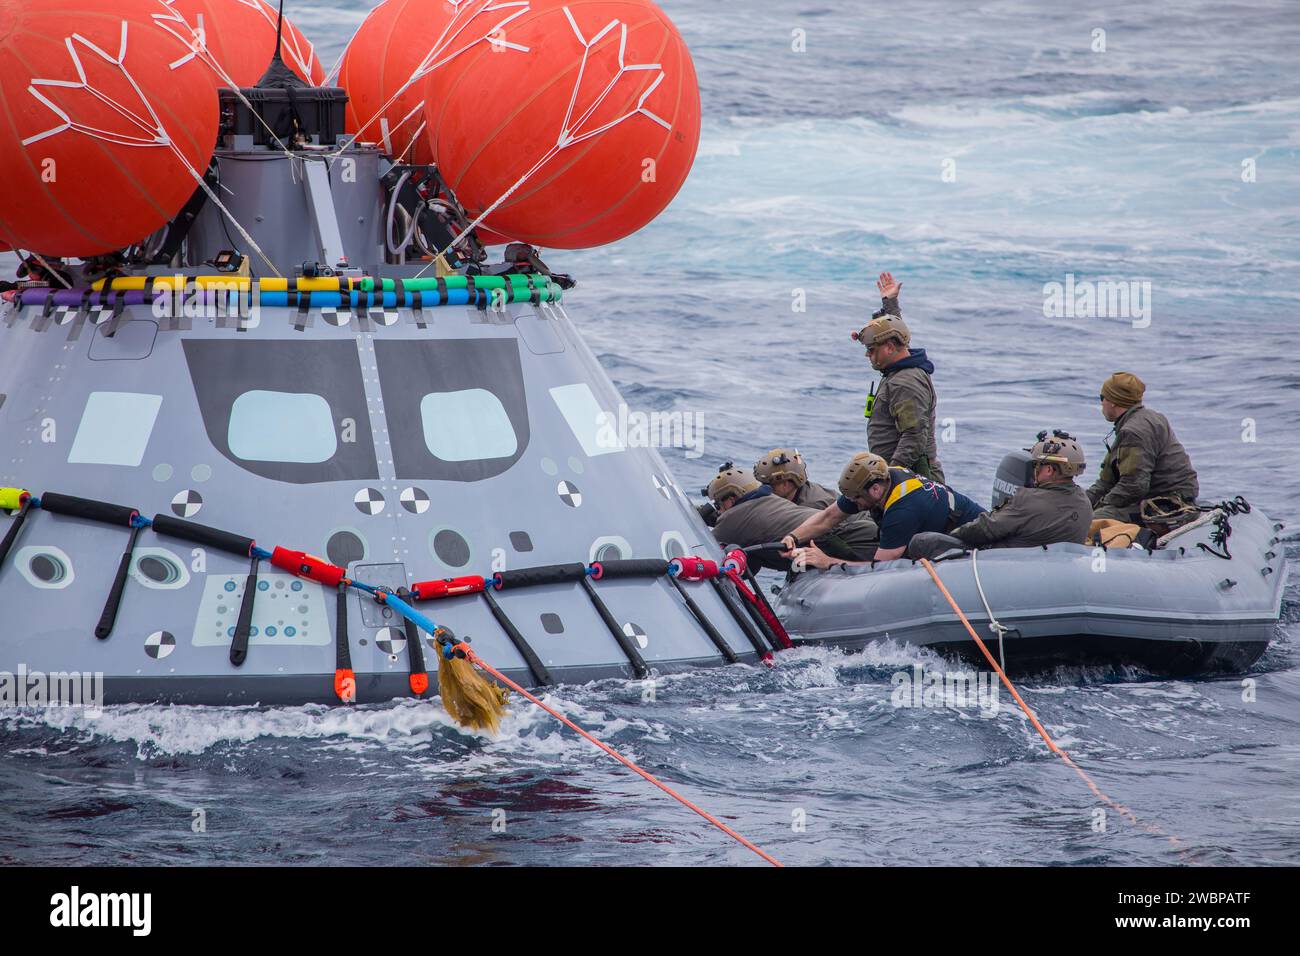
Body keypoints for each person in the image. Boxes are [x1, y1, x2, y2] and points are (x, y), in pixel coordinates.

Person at [781, 451, 984, 566]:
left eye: (857, 498)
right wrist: (793, 536)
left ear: (875, 490)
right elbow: (829, 516)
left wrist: (828, 562)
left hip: (975, 541)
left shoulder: (902, 510)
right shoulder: (883, 477)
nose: (854, 503)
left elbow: (880, 567)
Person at [853, 272, 946, 482]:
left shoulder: (905, 382)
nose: (868, 354)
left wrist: (890, 477)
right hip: (903, 473)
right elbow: (895, 333)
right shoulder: (900, 365)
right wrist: (890, 303)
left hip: (914, 478)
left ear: (889, 348)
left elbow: (914, 435)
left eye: (871, 349)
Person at [944, 430, 1092, 550]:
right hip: (1048, 571)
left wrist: (953, 535)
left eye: (1036, 465)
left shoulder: (1028, 500)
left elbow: (985, 529)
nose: (1034, 469)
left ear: (1048, 470)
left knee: (927, 541)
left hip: (1002, 567)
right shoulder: (1084, 501)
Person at [705, 463, 877, 563]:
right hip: (856, 529)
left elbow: (707, 553)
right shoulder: (768, 500)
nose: (720, 510)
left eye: (719, 504)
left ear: (732, 499)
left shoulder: (732, 519)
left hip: (848, 541)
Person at [1087, 372, 1199, 523]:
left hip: (1164, 502)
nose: (1102, 404)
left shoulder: (1133, 431)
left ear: (1113, 401)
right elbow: (1107, 482)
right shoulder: (1152, 417)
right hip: (1177, 494)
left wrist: (1100, 506)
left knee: (1091, 521)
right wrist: (1083, 503)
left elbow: (1134, 486)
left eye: (1102, 398)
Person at [752, 447, 838, 509]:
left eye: (769, 485)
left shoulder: (810, 507)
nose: (763, 488)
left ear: (786, 484)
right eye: (762, 483)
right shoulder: (798, 492)